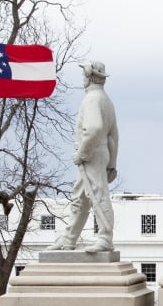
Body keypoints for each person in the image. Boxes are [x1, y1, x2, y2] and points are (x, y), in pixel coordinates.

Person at [48, 61, 118, 253]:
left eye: (83, 75)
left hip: (92, 153)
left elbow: (95, 128)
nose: (82, 79)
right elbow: (114, 135)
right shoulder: (105, 99)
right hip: (98, 153)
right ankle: (69, 239)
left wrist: (82, 153)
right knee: (80, 197)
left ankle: (105, 237)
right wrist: (112, 163)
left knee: (97, 194)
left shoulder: (93, 99)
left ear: (88, 76)